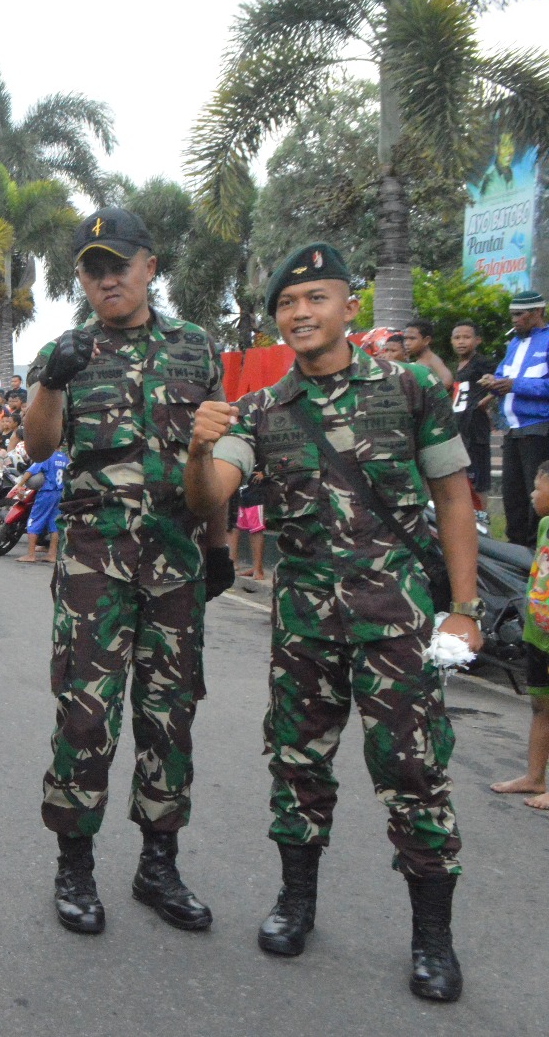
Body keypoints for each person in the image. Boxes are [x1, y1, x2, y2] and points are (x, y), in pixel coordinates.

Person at [184, 241, 478, 1003]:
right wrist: (198, 448)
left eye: (316, 297)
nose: (300, 312)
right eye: (288, 302)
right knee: (297, 767)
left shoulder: (410, 389)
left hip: (397, 625)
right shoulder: (260, 410)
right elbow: (207, 496)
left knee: (414, 774)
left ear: (351, 306)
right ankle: (296, 901)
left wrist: (466, 610)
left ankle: (433, 938)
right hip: (306, 627)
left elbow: (453, 498)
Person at [23, 206, 232, 938]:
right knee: (86, 713)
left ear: (150, 265)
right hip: (93, 558)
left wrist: (221, 544)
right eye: (92, 267)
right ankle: (74, 866)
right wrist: (52, 381)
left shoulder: (196, 346)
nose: (107, 277)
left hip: (176, 557)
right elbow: (38, 444)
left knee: (169, 715)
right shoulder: (67, 349)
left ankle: (158, 863)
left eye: (119, 263)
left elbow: (216, 445)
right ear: (81, 279)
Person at [491, 459, 549, 809]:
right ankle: (534, 776)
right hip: (538, 632)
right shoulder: (544, 526)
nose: (532, 493)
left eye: (539, 487)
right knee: (540, 706)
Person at [482, 290, 549, 546]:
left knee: (538, 497)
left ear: (538, 313)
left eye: (520, 315)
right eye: (511, 315)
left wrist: (515, 385)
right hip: (511, 430)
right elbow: (502, 376)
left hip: (538, 429)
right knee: (513, 498)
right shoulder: (513, 344)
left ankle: (537, 555)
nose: (514, 320)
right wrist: (493, 382)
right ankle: (516, 556)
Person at [449, 321, 495, 494]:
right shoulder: (456, 366)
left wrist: (488, 399)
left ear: (477, 340)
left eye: (466, 337)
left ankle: (481, 515)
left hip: (475, 425)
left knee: (478, 478)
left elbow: (501, 380)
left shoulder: (482, 363)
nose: (461, 342)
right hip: (459, 424)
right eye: (457, 338)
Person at [16, 449, 67, 564]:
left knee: (34, 520)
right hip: (59, 493)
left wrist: (19, 485)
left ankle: (30, 555)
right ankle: (52, 554)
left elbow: (31, 471)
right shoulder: (64, 457)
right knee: (54, 523)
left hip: (46, 493)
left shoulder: (46, 455)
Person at [232, 473, 267, 581]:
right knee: (249, 530)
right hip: (243, 493)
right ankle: (255, 568)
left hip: (257, 495)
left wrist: (265, 473)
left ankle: (258, 570)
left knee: (256, 530)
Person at [403, 319, 453, 390]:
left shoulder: (432, 359)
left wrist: (427, 396)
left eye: (412, 338)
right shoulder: (420, 360)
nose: (407, 343)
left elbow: (448, 381)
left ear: (426, 340)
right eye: (405, 339)